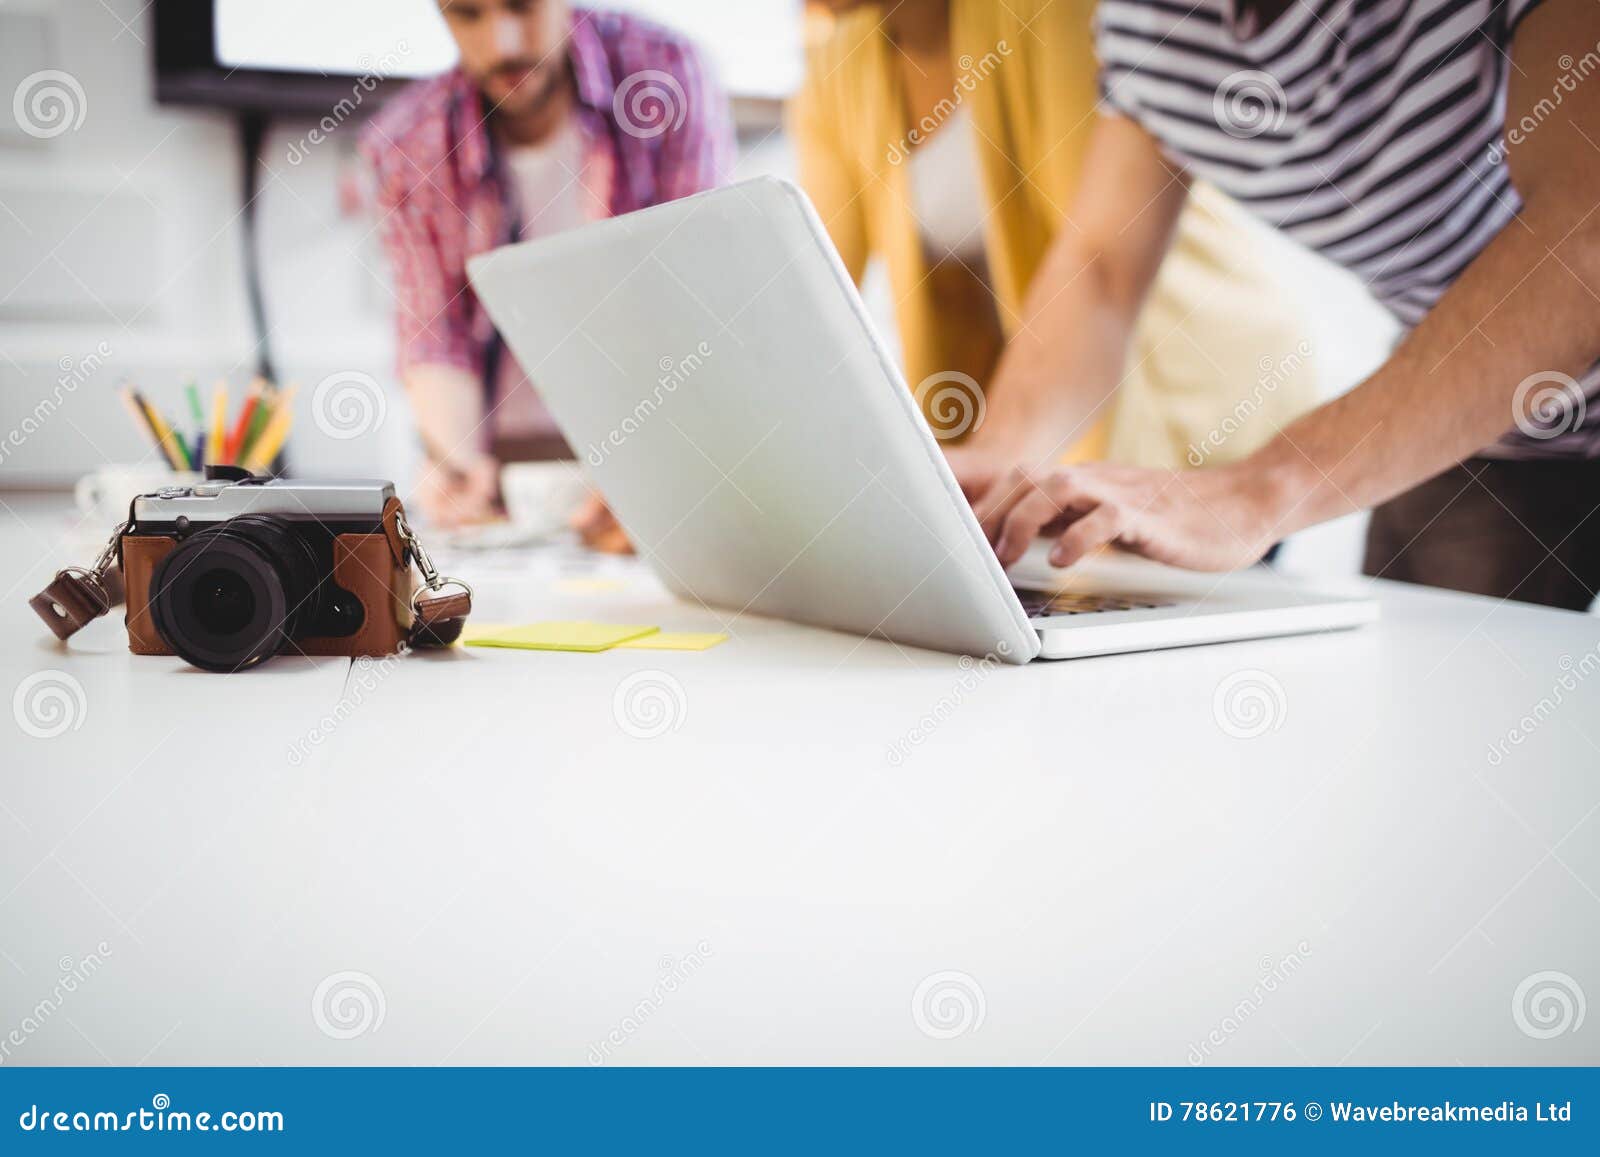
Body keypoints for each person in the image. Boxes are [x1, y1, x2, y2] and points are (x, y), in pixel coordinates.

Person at [957, 0, 1600, 610]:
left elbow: (1584, 231)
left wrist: (1262, 489)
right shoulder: (1144, 25)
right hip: (1484, 421)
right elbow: (1101, 269)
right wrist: (998, 468)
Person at [791, 0, 1316, 473]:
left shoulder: (1054, 13)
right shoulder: (833, 73)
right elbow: (814, 293)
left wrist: (1007, 456)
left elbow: (1096, 271)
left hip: (1196, 390)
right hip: (1053, 409)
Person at [361, 0, 734, 532]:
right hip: (513, 465)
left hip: (663, 433)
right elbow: (434, 333)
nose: (503, 43)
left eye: (522, 6)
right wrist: (458, 465)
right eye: (467, 14)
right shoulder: (405, 141)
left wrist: (661, 468)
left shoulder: (665, 75)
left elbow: (695, 293)